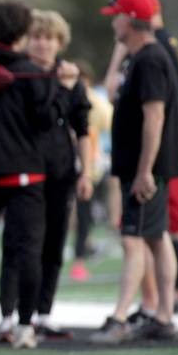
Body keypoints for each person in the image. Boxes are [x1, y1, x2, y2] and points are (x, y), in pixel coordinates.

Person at [0, 1, 74, 349]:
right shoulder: (32, 71)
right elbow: (47, 121)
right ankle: (24, 326)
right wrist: (60, 87)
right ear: (22, 34)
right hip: (26, 177)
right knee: (28, 253)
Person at [90, 0, 178, 343]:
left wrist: (144, 170)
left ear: (129, 19)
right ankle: (161, 315)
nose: (114, 21)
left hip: (146, 170)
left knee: (133, 239)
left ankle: (120, 318)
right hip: (141, 167)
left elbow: (155, 117)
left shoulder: (150, 60)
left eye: (117, 15)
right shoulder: (140, 57)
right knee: (155, 238)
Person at [18, 9, 92, 343]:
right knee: (26, 244)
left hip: (61, 169)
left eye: (49, 38)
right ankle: (19, 315)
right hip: (28, 168)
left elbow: (83, 128)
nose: (43, 44)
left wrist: (86, 172)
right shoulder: (23, 75)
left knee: (55, 242)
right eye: (37, 37)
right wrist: (61, 87)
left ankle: (44, 313)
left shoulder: (70, 76)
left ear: (59, 41)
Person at [71, 61, 114, 282]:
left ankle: (79, 259)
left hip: (86, 166)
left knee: (84, 215)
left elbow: (107, 124)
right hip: (72, 164)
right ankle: (79, 256)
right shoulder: (73, 97)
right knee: (79, 215)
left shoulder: (94, 102)